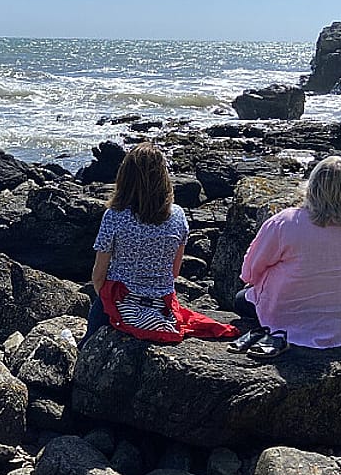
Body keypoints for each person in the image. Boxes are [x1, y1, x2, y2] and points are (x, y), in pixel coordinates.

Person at [88, 143, 237, 344]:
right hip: (162, 306)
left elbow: (99, 276)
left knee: (88, 343)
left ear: (125, 177)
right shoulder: (178, 216)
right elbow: (174, 273)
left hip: (122, 302)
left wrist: (107, 303)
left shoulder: (114, 216)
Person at [234, 155, 341, 355]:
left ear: (312, 186)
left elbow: (250, 271)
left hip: (288, 318)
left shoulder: (286, 222)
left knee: (240, 299)